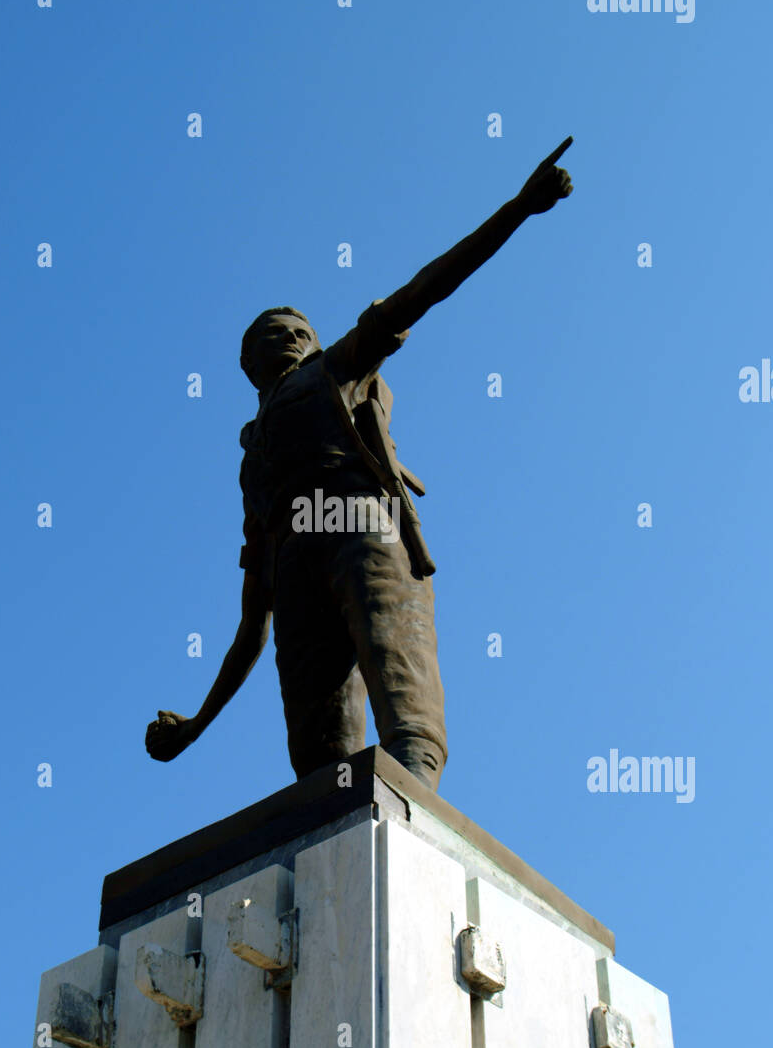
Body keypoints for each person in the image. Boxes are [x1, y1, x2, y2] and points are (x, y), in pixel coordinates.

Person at [146, 138, 574, 791]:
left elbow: (423, 291)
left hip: (360, 524)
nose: (290, 338)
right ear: (247, 364)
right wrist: (200, 722)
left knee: (405, 718)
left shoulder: (334, 370)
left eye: (299, 331)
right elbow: (250, 619)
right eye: (272, 334)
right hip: (295, 566)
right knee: (319, 766)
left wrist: (518, 208)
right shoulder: (252, 461)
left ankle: (412, 832)